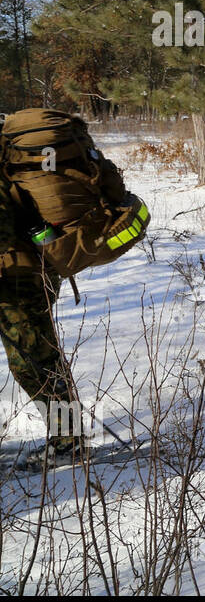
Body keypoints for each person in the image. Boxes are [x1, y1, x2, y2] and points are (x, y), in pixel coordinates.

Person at [0, 171, 84, 461]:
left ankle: (69, 441)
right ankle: (69, 437)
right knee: (35, 363)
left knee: (37, 364)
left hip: (21, 284)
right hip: (23, 277)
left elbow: (3, 230)